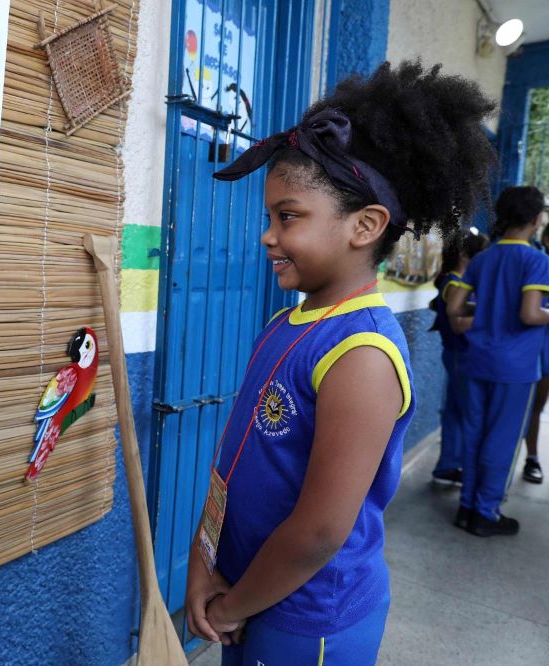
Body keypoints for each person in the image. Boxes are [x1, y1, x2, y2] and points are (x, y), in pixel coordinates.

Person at [184, 61, 495, 663]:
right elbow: (236, 458)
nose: (267, 236)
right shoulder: (284, 325)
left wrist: (232, 606)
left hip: (307, 621)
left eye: (289, 217)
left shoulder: (362, 356)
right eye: (268, 217)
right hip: (247, 596)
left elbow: (321, 530)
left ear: (365, 226)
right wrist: (204, 563)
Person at [446, 186, 549, 536]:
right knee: (501, 439)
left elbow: (454, 307)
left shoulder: (482, 259)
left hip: (477, 359)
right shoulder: (537, 260)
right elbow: (531, 313)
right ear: (536, 220)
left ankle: (466, 507)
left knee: (473, 434)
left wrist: (486, 309)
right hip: (515, 368)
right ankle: (486, 512)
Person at [430, 228, 489, 485]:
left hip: (458, 354)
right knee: (467, 413)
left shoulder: (456, 280)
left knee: (455, 412)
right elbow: (458, 324)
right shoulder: (455, 283)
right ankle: (462, 467)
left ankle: (448, 466)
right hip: (459, 353)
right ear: (465, 255)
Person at [521, 220, 549, 484]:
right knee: (534, 407)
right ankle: (532, 457)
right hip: (536, 351)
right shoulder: (536, 263)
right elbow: (528, 313)